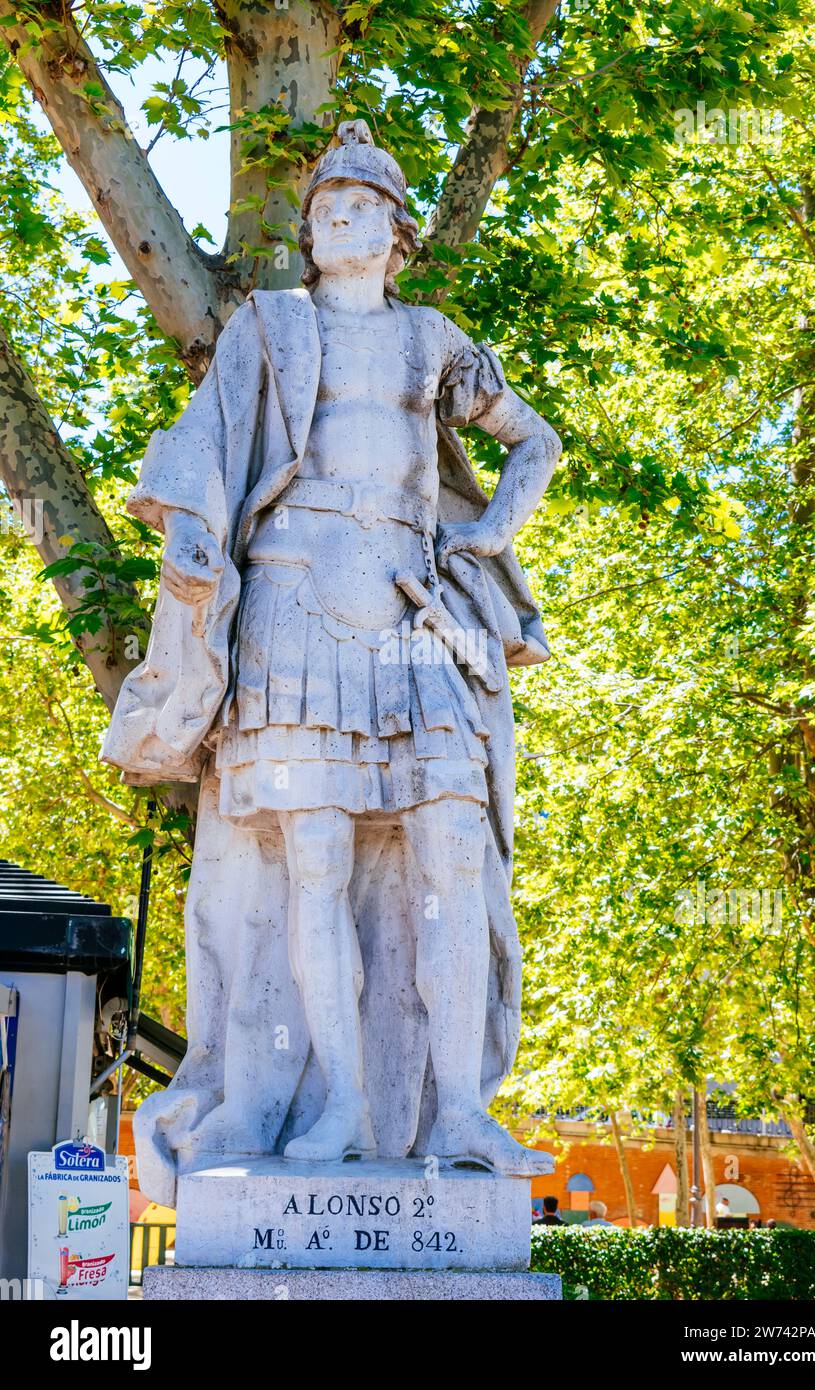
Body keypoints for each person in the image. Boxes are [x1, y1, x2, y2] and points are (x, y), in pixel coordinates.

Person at [103, 120, 561, 1203]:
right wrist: (186, 535)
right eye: (319, 207)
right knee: (312, 860)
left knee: (454, 849)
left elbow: (534, 442)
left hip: (411, 614)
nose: (331, 217)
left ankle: (456, 1111)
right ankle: (341, 1105)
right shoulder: (268, 325)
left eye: (355, 204)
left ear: (396, 235)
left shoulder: (433, 340)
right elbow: (200, 447)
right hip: (293, 602)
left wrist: (490, 530)